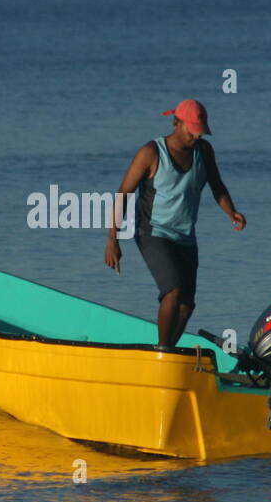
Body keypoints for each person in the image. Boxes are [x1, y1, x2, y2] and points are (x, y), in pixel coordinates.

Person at [105, 99, 245, 349]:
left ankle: (166, 351)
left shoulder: (204, 151)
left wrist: (230, 211)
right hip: (153, 232)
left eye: (199, 130)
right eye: (191, 129)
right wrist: (112, 240)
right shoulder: (151, 152)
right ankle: (163, 351)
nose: (196, 136)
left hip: (185, 236)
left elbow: (217, 186)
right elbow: (123, 193)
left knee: (187, 304)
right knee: (173, 291)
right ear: (176, 123)